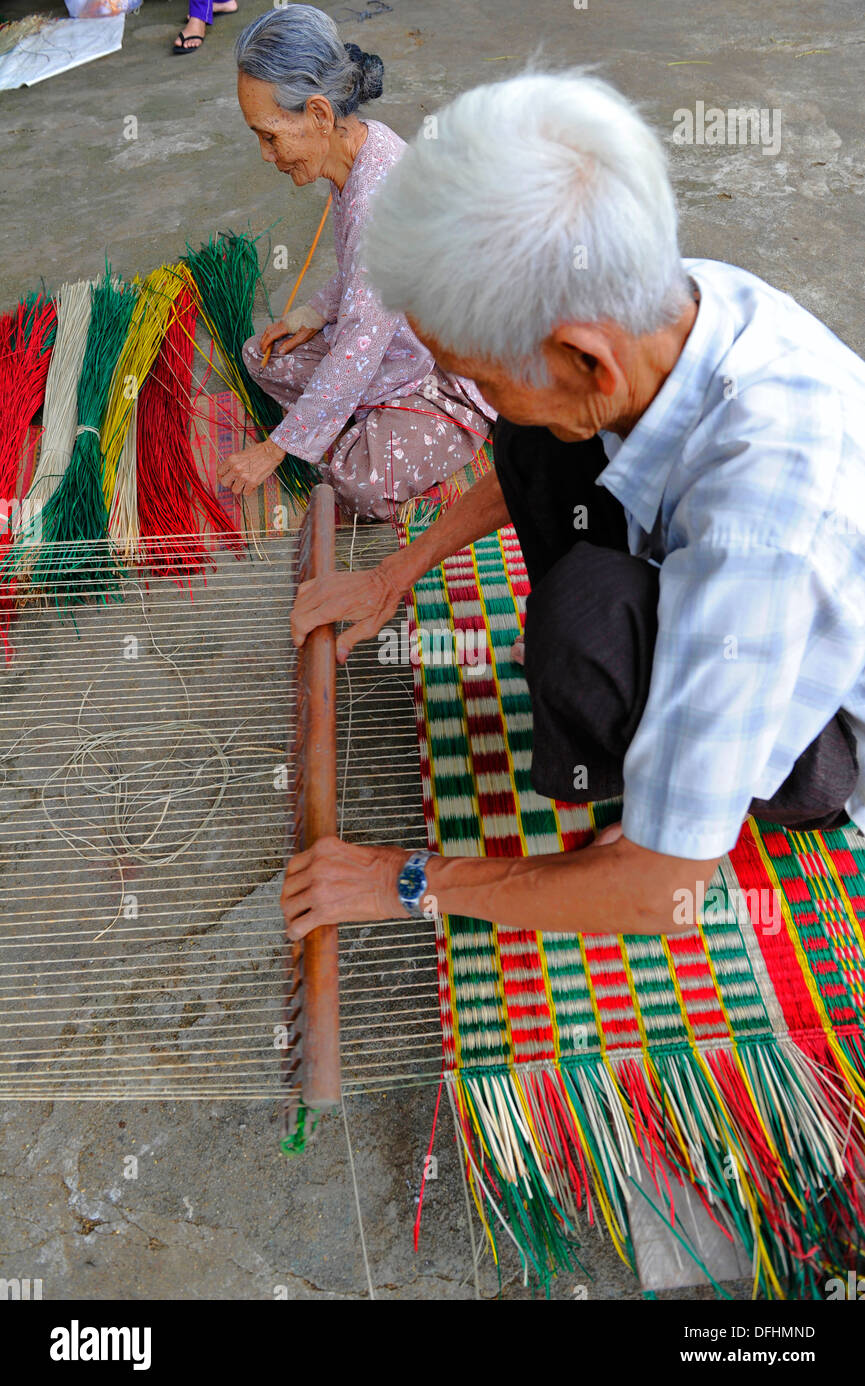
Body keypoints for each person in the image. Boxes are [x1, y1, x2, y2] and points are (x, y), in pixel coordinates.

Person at [282, 69, 865, 941]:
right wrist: (392, 576)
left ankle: (661, 799)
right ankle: (637, 750)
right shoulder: (669, 301)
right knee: (531, 437)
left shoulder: (758, 528)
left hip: (831, 735)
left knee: (581, 621)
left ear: (588, 360)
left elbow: (659, 897)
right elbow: (541, 436)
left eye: (478, 378)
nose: (475, 401)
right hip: (730, 576)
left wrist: (404, 879)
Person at [220, 6, 495, 518]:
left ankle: (450, 423)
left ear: (320, 115)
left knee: (357, 485)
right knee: (262, 354)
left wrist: (276, 448)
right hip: (388, 345)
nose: (265, 154)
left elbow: (360, 349)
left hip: (442, 368)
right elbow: (358, 279)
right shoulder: (357, 145)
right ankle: (352, 417)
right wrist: (311, 316)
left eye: (269, 134)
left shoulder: (379, 199)